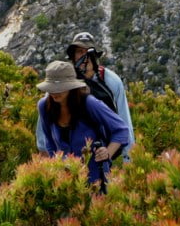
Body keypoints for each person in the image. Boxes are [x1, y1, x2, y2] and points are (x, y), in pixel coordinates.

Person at [35, 60, 131, 191]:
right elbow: (49, 142)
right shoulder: (44, 106)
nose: (54, 92)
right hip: (65, 184)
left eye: (60, 87)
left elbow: (121, 130)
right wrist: (55, 169)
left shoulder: (89, 104)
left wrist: (108, 153)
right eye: (51, 88)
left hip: (96, 182)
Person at [38, 32, 134, 159]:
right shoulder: (59, 84)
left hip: (107, 153)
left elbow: (123, 119)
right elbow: (46, 126)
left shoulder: (111, 81)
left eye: (88, 52)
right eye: (79, 51)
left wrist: (127, 157)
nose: (84, 56)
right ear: (73, 56)